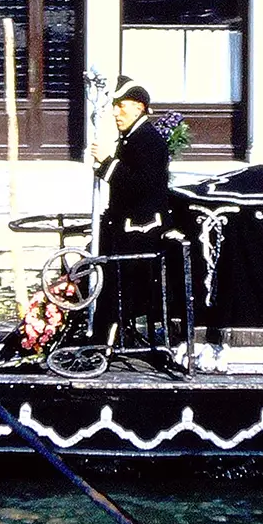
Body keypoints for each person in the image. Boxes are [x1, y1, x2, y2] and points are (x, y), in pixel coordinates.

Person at [89, 76, 172, 343]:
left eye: (121, 106)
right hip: (122, 227)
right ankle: (99, 330)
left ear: (138, 107)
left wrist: (106, 163)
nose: (115, 113)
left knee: (116, 284)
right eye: (114, 106)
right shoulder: (131, 137)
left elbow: (141, 185)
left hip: (139, 231)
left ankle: (106, 339)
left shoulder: (148, 140)